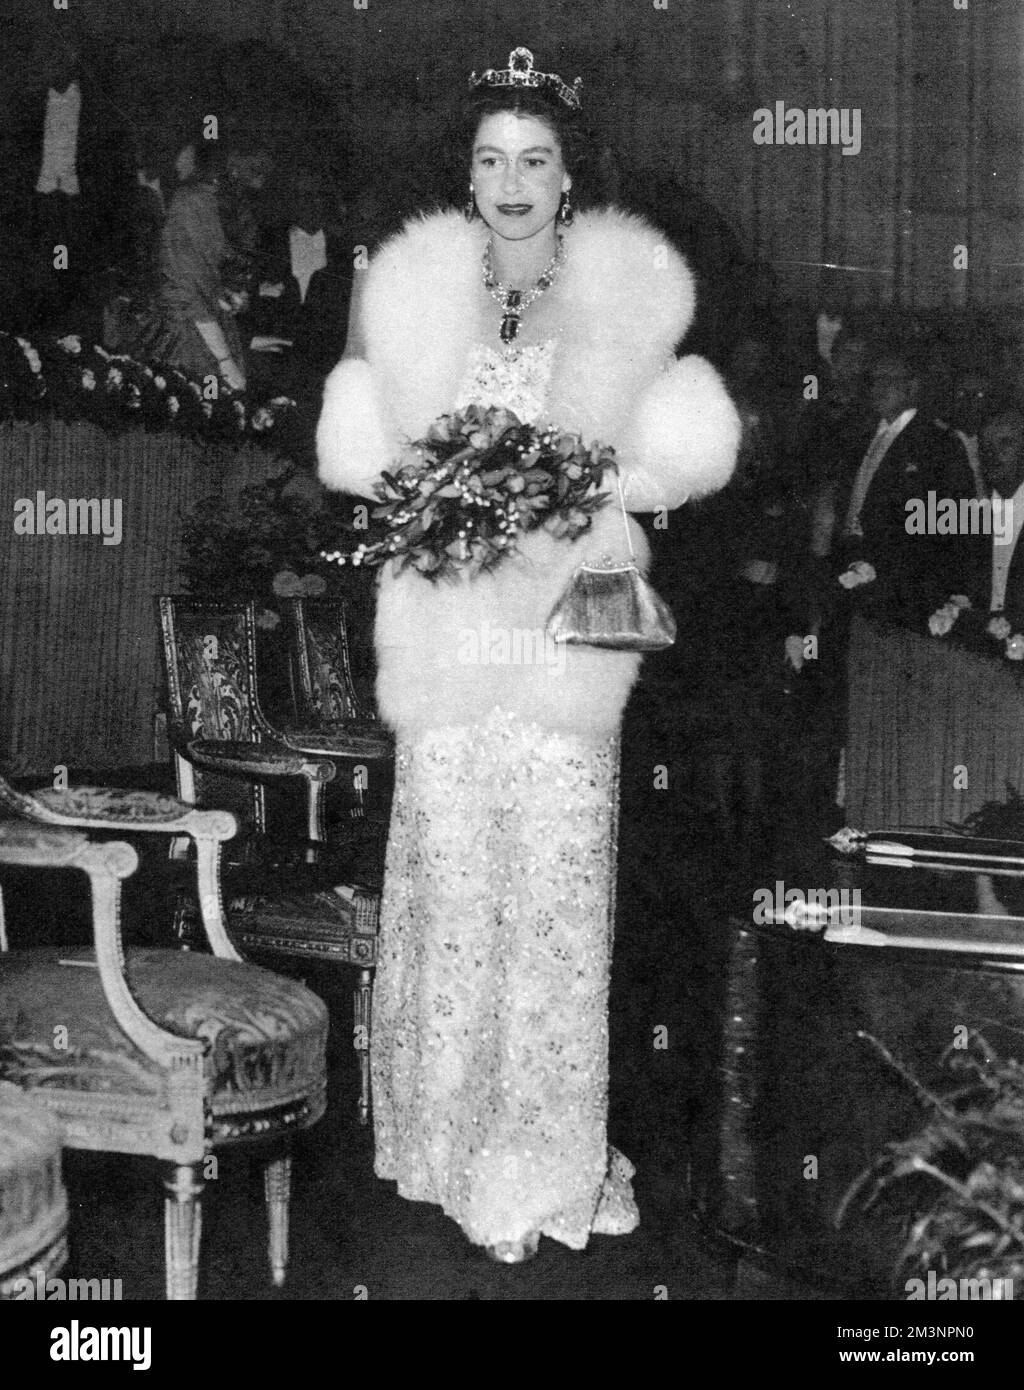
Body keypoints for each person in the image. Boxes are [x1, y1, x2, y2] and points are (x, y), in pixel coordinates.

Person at [315, 47, 740, 1262]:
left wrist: (586, 479)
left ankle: (539, 1157)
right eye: (491, 159)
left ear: (567, 178)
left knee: (551, 888)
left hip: (566, 635)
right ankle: (441, 1140)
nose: (512, 181)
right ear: (468, 172)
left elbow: (679, 452)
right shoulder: (408, 287)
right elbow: (362, 448)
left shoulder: (623, 288)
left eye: (535, 161)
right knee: (450, 886)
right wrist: (440, 487)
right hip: (450, 635)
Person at [132, 143, 248, 391]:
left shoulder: (208, 200)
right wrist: (225, 361)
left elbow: (206, 272)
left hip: (205, 329)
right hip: (185, 338)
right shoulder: (192, 202)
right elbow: (185, 289)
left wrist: (225, 295)